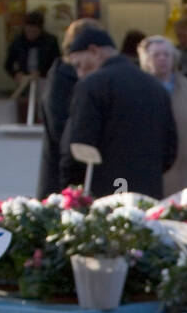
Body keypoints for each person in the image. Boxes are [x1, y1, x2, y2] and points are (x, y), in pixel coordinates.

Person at [59, 23, 177, 199]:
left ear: (94, 51)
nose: (79, 73)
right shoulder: (155, 87)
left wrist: (71, 191)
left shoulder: (91, 85)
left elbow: (78, 146)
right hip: (148, 190)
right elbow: (170, 148)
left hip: (105, 193)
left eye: (79, 64)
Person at [37, 18, 98, 198]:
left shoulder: (65, 76)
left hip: (75, 171)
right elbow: (59, 127)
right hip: (64, 174)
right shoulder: (61, 77)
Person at [139, 34, 187, 194]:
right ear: (146, 60)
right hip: (154, 175)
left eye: (166, 54)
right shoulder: (140, 87)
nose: (162, 59)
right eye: (156, 55)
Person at [5, 10, 61, 85]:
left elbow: (57, 63)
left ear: (40, 29)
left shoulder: (50, 42)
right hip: (24, 81)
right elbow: (8, 65)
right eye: (28, 31)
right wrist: (15, 74)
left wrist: (42, 73)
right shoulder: (18, 42)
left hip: (46, 81)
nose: (31, 34)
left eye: (34, 31)